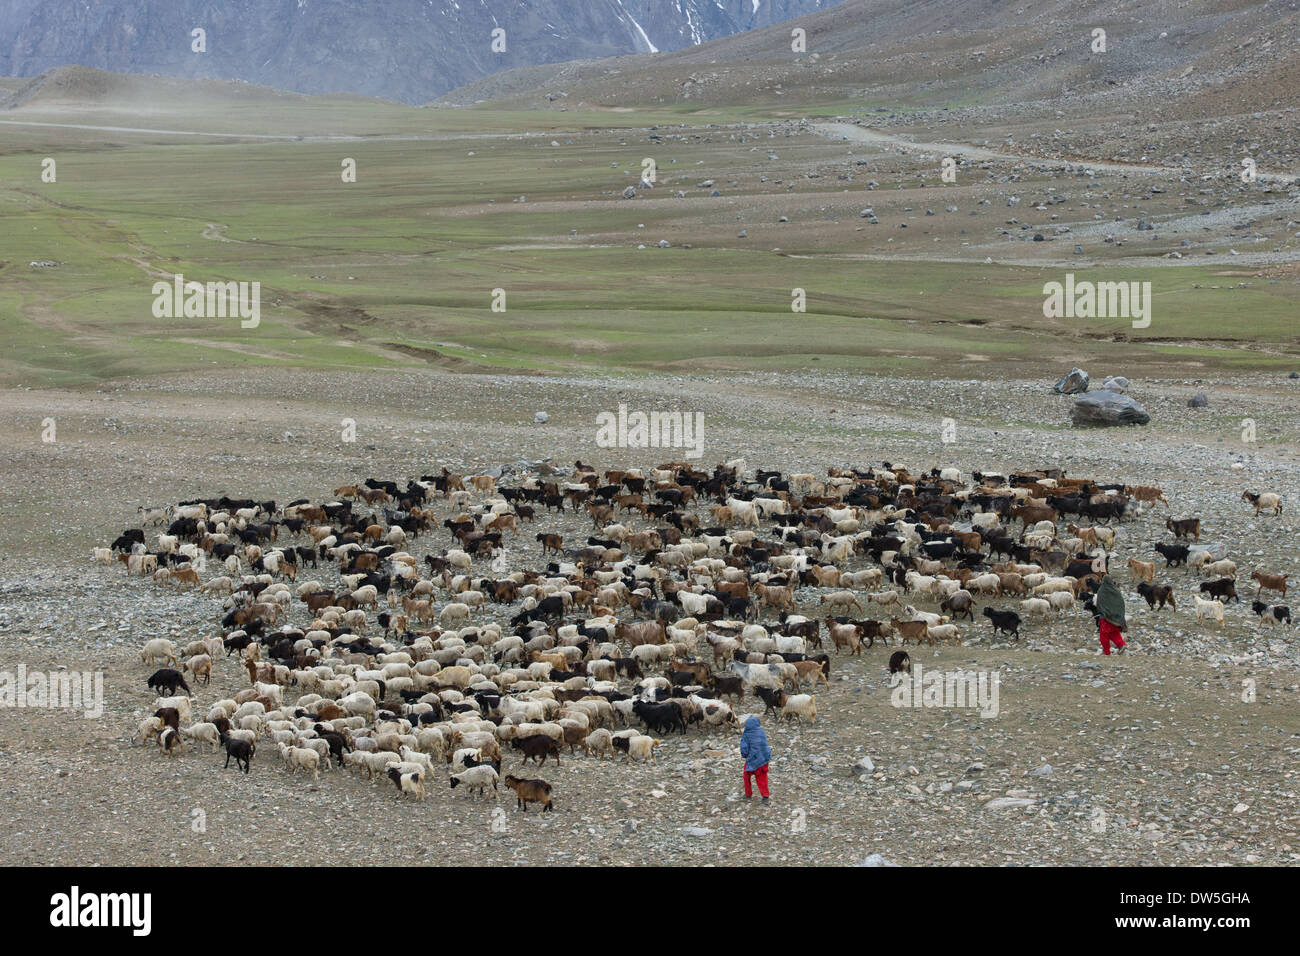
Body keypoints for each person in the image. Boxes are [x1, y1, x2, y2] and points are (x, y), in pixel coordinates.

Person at [739, 715, 771, 804]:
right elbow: (764, 745)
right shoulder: (761, 731)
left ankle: (748, 794)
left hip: (753, 760)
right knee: (762, 778)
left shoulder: (746, 734)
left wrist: (745, 755)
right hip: (764, 759)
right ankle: (765, 797)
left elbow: (744, 748)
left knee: (746, 776)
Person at [1093, 574, 1128, 656]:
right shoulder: (1115, 590)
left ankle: (1107, 651)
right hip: (1116, 618)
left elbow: (1099, 603)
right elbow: (1120, 603)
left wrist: (1103, 611)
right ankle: (1121, 645)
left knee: (1104, 635)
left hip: (1105, 617)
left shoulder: (1102, 590)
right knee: (1113, 633)